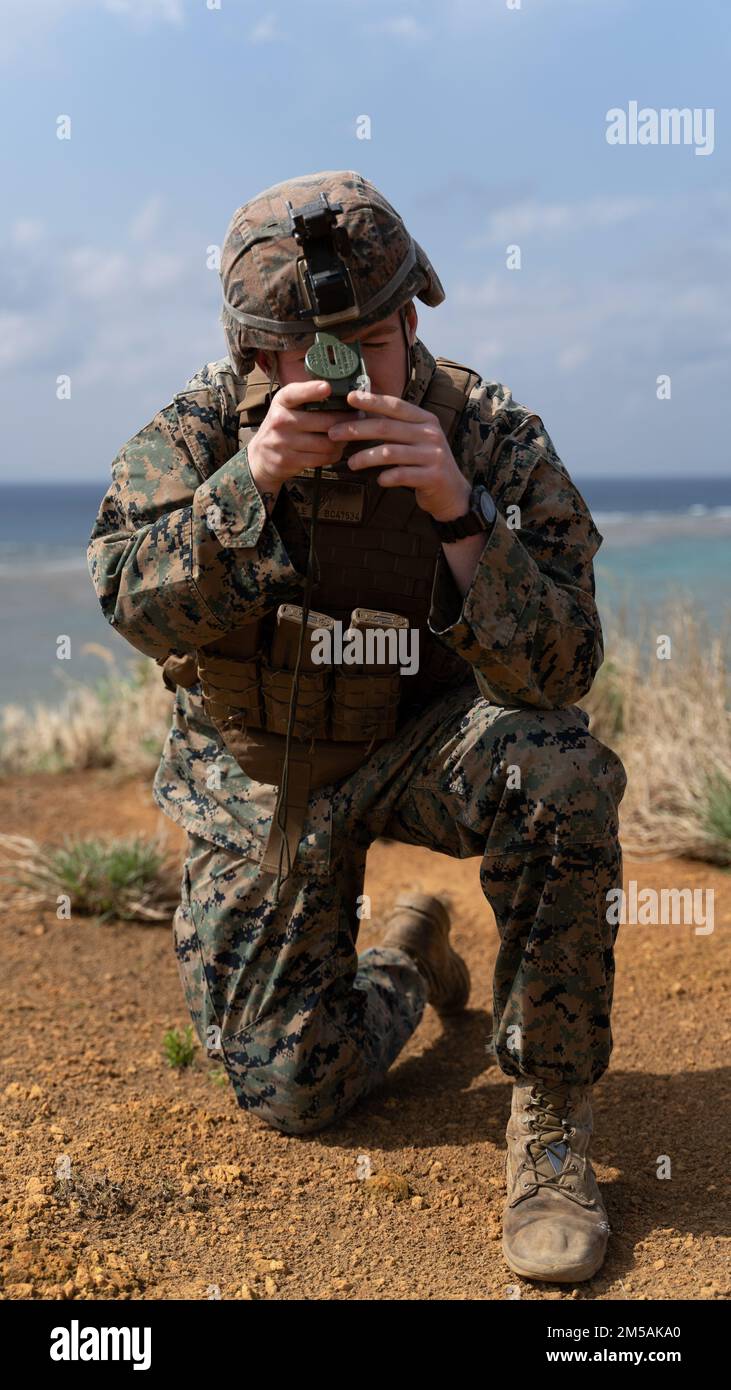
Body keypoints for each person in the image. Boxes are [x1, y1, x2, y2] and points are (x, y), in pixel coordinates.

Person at [87, 170, 627, 1286]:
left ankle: (554, 1120)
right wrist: (254, 485)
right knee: (292, 1088)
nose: (341, 376)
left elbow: (563, 666)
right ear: (256, 358)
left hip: (422, 744)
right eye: (306, 356)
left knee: (561, 769)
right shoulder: (196, 433)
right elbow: (131, 603)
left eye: (369, 343)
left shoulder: (485, 437)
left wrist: (461, 518)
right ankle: (400, 959)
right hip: (263, 771)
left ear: (412, 320)